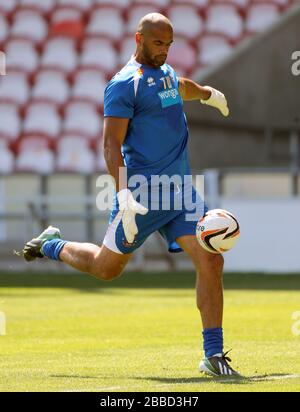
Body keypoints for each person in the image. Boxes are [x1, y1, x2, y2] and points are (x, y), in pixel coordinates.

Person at [21, 13, 240, 377]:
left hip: (182, 194)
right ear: (139, 38)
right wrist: (121, 194)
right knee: (106, 270)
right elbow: (111, 144)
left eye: (170, 45)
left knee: (212, 261)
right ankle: (52, 244)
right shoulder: (124, 85)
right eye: (159, 43)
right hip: (140, 198)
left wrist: (207, 95)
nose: (165, 51)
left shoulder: (166, 72)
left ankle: (213, 356)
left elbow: (180, 86)